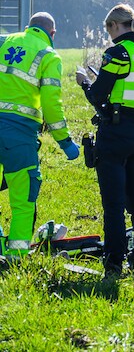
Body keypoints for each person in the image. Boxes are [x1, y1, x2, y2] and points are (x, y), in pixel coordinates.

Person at [76, 4, 134, 275]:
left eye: (109, 30)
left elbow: (97, 97)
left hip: (115, 133)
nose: (109, 36)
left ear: (114, 26)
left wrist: (84, 82)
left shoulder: (117, 53)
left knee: (114, 204)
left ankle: (114, 260)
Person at [0, 13, 78, 258]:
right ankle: (16, 257)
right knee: (23, 199)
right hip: (19, 135)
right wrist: (65, 141)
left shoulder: (3, 42)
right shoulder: (48, 55)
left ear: (27, 27)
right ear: (52, 33)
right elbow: (51, 104)